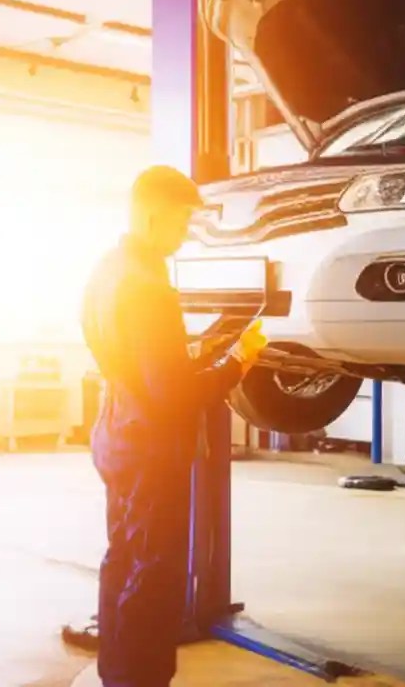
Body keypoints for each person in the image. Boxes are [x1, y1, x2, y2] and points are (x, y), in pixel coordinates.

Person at [77, 165, 265, 687]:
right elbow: (175, 394)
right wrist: (238, 362)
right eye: (183, 223)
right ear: (155, 214)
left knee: (123, 558)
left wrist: (177, 357)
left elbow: (126, 355)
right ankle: (142, 679)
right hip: (153, 449)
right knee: (155, 575)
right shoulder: (149, 288)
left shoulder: (106, 270)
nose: (185, 236)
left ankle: (116, 673)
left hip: (118, 432)